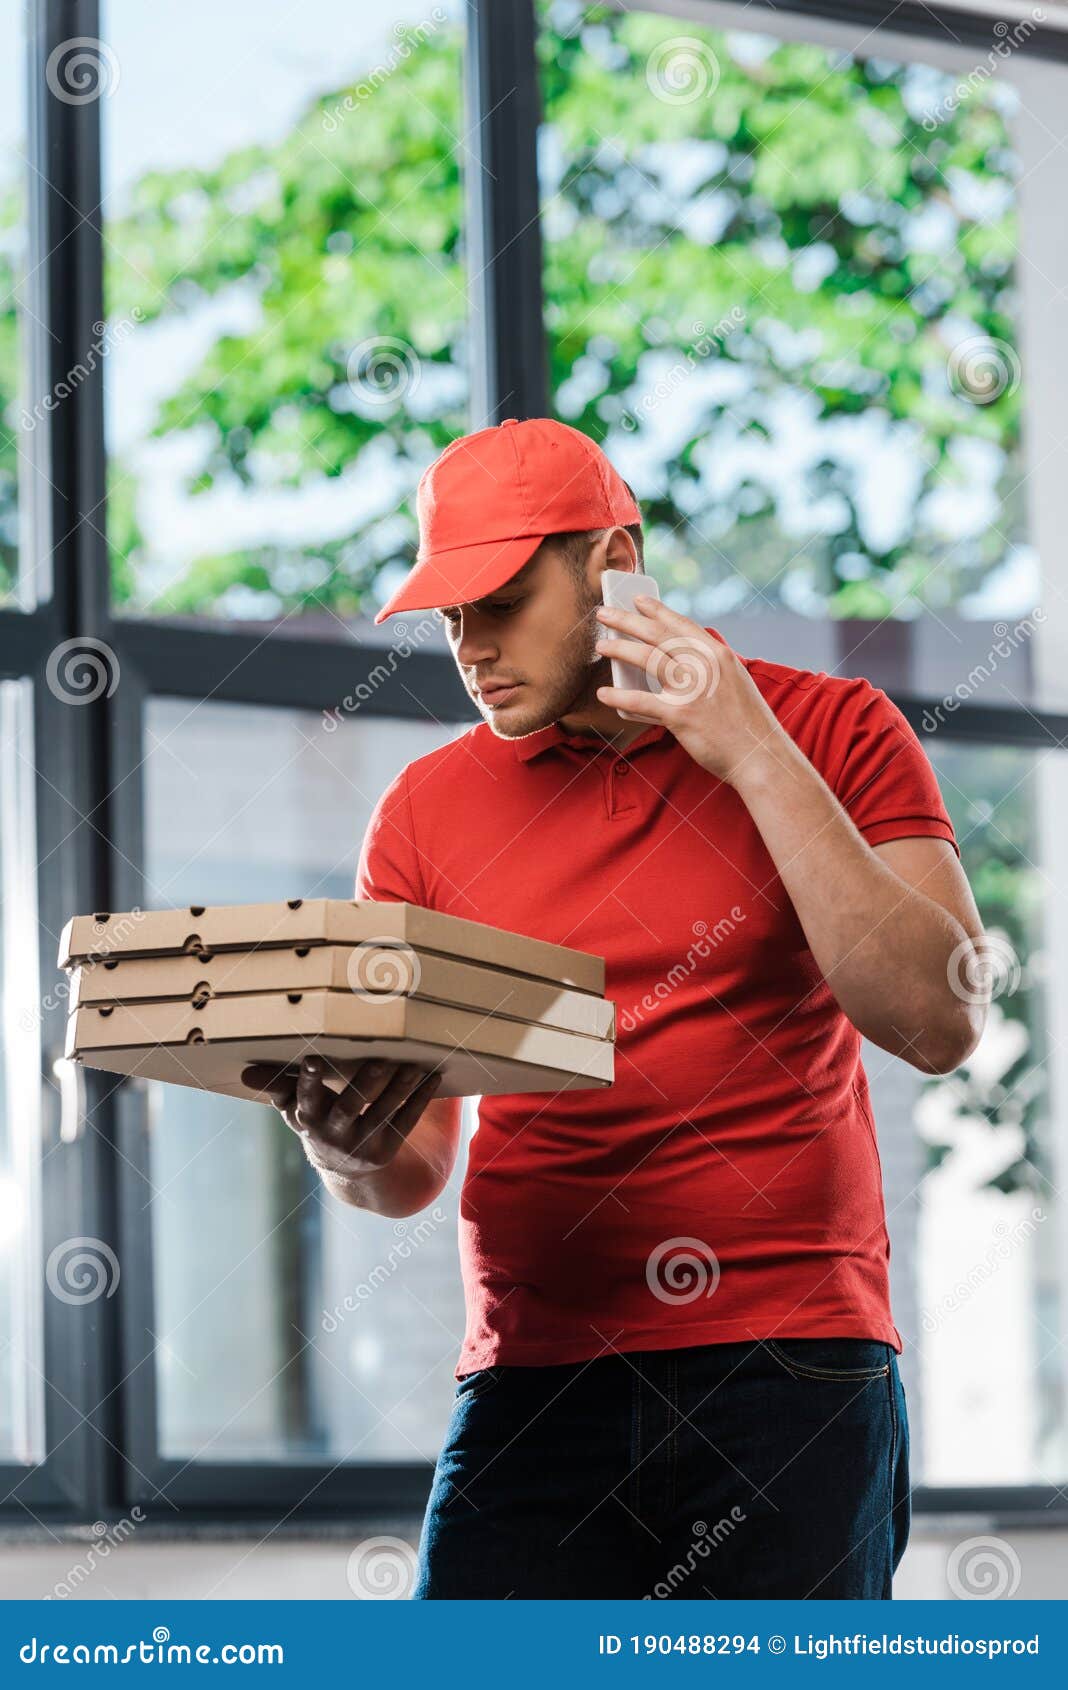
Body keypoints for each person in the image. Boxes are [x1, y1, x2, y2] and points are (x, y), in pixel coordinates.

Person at [243, 417, 988, 1599]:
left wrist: (748, 746)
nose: (469, 647)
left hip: (789, 1370)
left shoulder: (837, 730)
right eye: (447, 617)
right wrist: (342, 1148)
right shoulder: (424, 812)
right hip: (535, 1377)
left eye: (499, 601)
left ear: (611, 560)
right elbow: (409, 1169)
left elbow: (936, 1022)